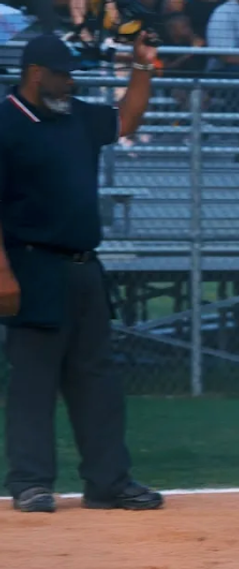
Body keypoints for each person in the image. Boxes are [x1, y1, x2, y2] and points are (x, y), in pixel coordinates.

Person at [0, 33, 163, 513]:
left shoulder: (76, 116)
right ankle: (30, 482)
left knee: (98, 379)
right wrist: (2, 273)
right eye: (62, 74)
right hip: (32, 265)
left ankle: (108, 481)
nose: (70, 82)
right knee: (34, 380)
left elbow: (128, 118)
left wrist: (143, 66)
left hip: (84, 265)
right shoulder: (6, 122)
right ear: (36, 74)